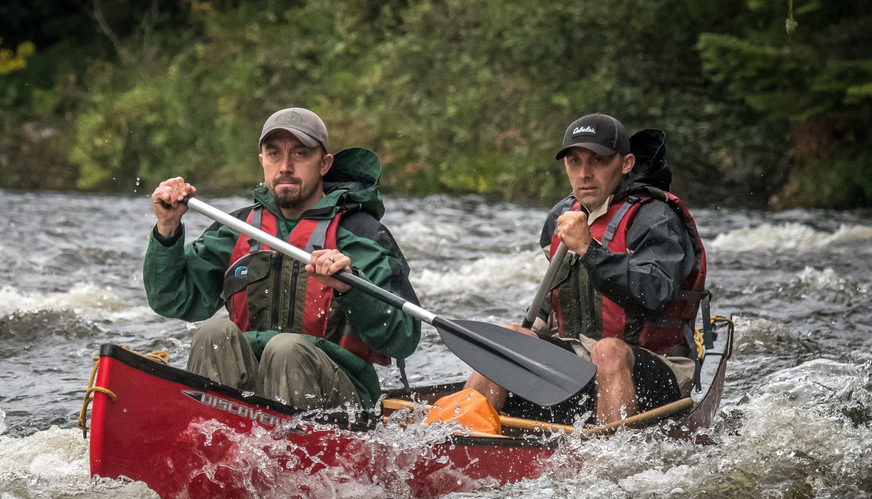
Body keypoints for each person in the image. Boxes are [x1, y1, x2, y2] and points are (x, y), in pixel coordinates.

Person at [144, 107, 421, 411]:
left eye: (300, 154)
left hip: (340, 402)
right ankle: (208, 434)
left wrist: (349, 288)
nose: (285, 166)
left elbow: (403, 339)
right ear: (262, 161)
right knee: (211, 333)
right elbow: (171, 300)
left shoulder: (364, 235)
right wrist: (168, 228)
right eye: (274, 154)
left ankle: (288, 449)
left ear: (324, 163)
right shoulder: (236, 229)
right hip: (248, 395)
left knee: (286, 348)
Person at [465, 113, 706, 425]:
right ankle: (456, 438)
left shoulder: (655, 218)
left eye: (599, 161)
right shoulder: (561, 217)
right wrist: (521, 342)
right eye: (574, 162)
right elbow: (555, 300)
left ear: (626, 163)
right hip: (578, 363)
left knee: (608, 351)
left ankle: (612, 462)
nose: (584, 174)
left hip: (657, 367)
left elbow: (655, 295)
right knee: (509, 337)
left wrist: (589, 250)